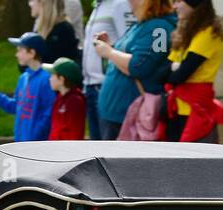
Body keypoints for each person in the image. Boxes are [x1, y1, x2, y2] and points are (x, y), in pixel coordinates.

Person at [90, 0, 177, 140]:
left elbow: (141, 67)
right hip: (116, 116)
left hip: (127, 118)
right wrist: (110, 47)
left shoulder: (159, 28)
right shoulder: (142, 24)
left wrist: (109, 52)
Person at [164, 0, 223, 143]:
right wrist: (174, 69)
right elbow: (165, 71)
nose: (174, 6)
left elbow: (180, 75)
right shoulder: (185, 32)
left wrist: (175, 69)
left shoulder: (208, 32)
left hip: (196, 108)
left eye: (179, 1)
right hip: (178, 107)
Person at [0, 32, 56, 143]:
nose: (16, 54)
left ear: (32, 53)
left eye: (20, 50)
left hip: (36, 145)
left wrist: (34, 138)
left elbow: (48, 114)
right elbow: (15, 106)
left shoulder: (46, 80)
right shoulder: (23, 78)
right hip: (20, 143)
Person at [81, 0, 134, 138]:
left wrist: (109, 50)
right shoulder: (98, 6)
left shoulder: (120, 4)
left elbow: (130, 43)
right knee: (95, 146)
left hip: (106, 85)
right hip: (90, 86)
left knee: (105, 147)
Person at [43, 56, 86, 140]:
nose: (50, 79)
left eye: (52, 75)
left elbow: (74, 133)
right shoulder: (59, 98)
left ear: (61, 79)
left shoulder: (75, 101)